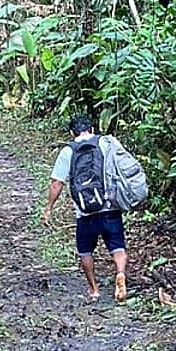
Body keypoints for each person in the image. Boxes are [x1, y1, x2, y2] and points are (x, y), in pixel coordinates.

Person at [42, 115, 129, 302]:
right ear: (92, 129)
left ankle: (94, 290)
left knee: (85, 251)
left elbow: (57, 183)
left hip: (85, 211)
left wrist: (49, 208)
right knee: (118, 246)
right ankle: (120, 273)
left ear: (72, 133)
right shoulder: (106, 143)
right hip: (110, 206)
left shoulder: (68, 151)